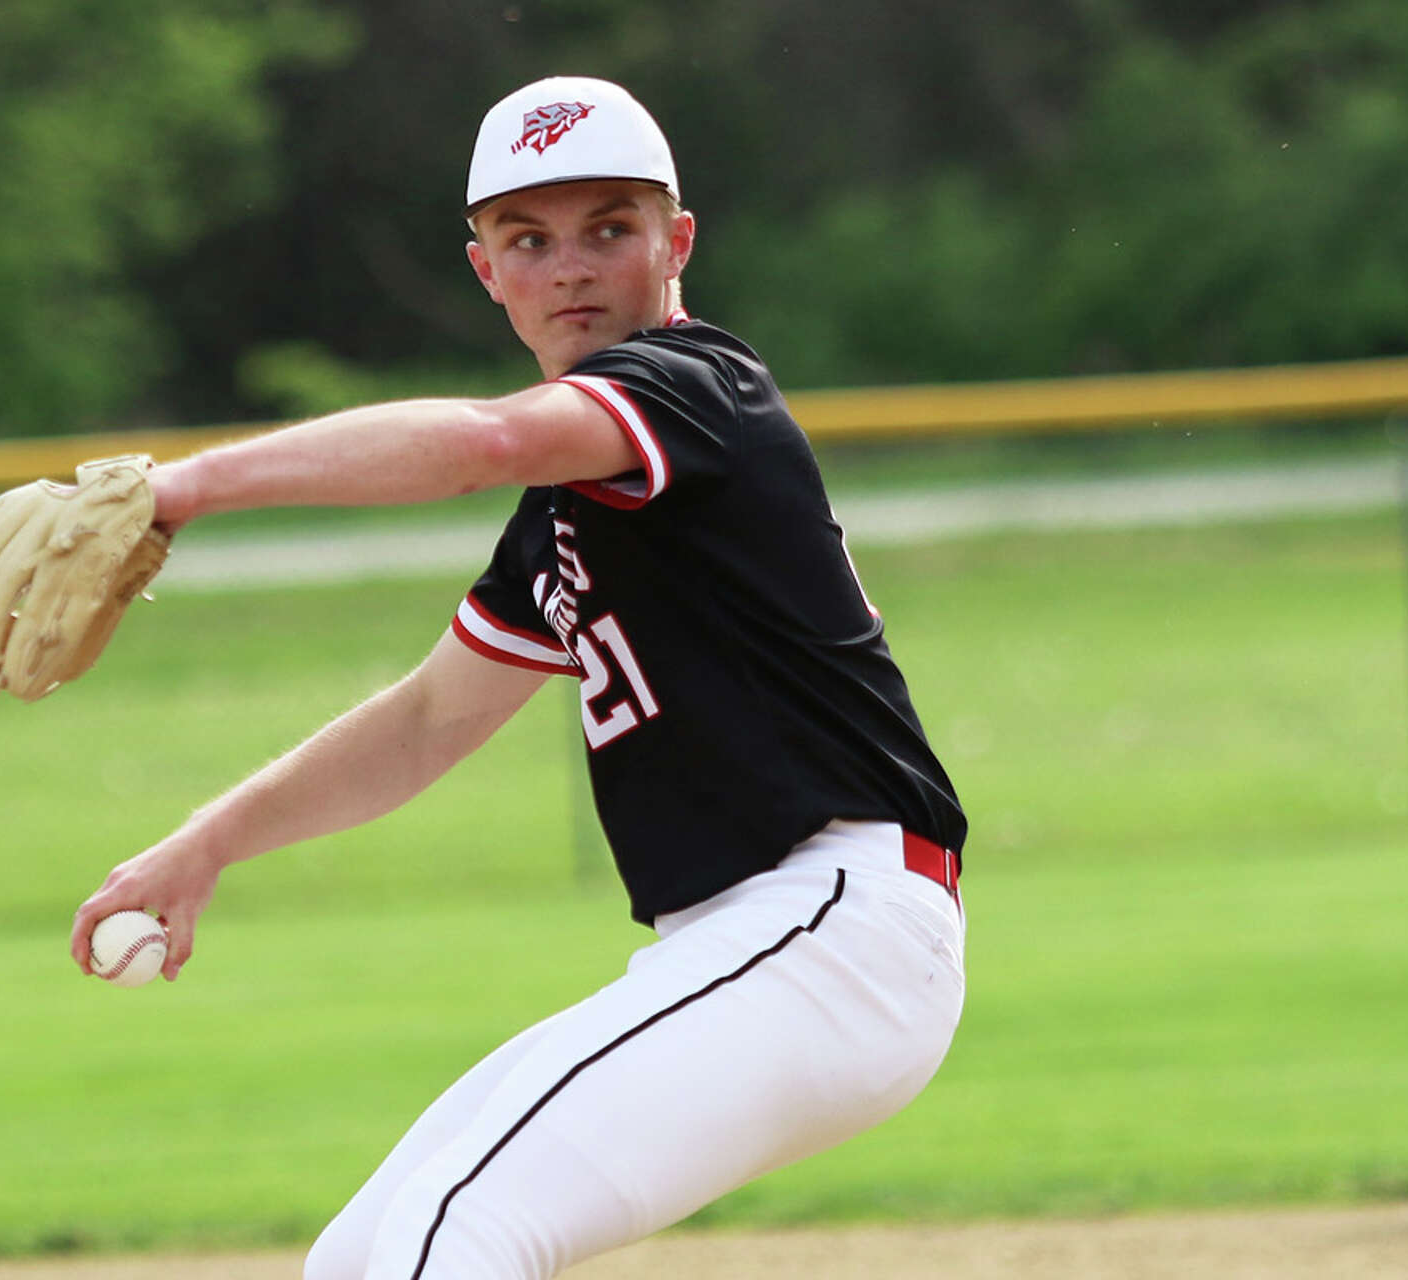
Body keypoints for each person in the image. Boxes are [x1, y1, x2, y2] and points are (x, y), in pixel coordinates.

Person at [69, 75, 968, 1280]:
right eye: (528, 239)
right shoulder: (566, 513)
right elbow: (430, 716)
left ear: (676, 242)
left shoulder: (696, 391)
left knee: (454, 1232)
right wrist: (204, 845)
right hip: (755, 942)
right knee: (367, 1253)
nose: (572, 268)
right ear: (487, 271)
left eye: (610, 226)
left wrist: (181, 488)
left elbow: (483, 441)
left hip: (834, 920)